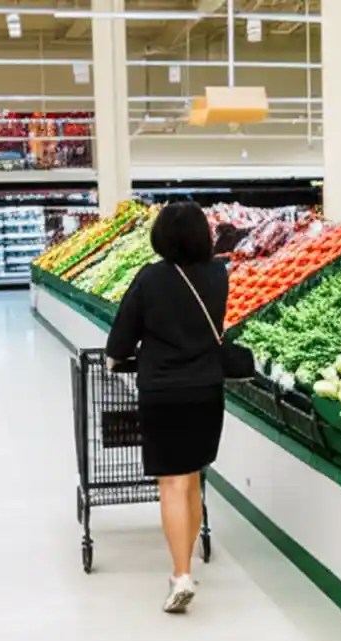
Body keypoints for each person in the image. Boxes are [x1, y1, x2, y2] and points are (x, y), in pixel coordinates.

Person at [105, 202, 227, 614]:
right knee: (191, 479)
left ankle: (181, 575)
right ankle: (186, 563)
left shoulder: (151, 279)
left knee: (172, 483)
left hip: (164, 391)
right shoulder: (218, 275)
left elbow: (123, 335)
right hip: (207, 390)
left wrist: (115, 357)